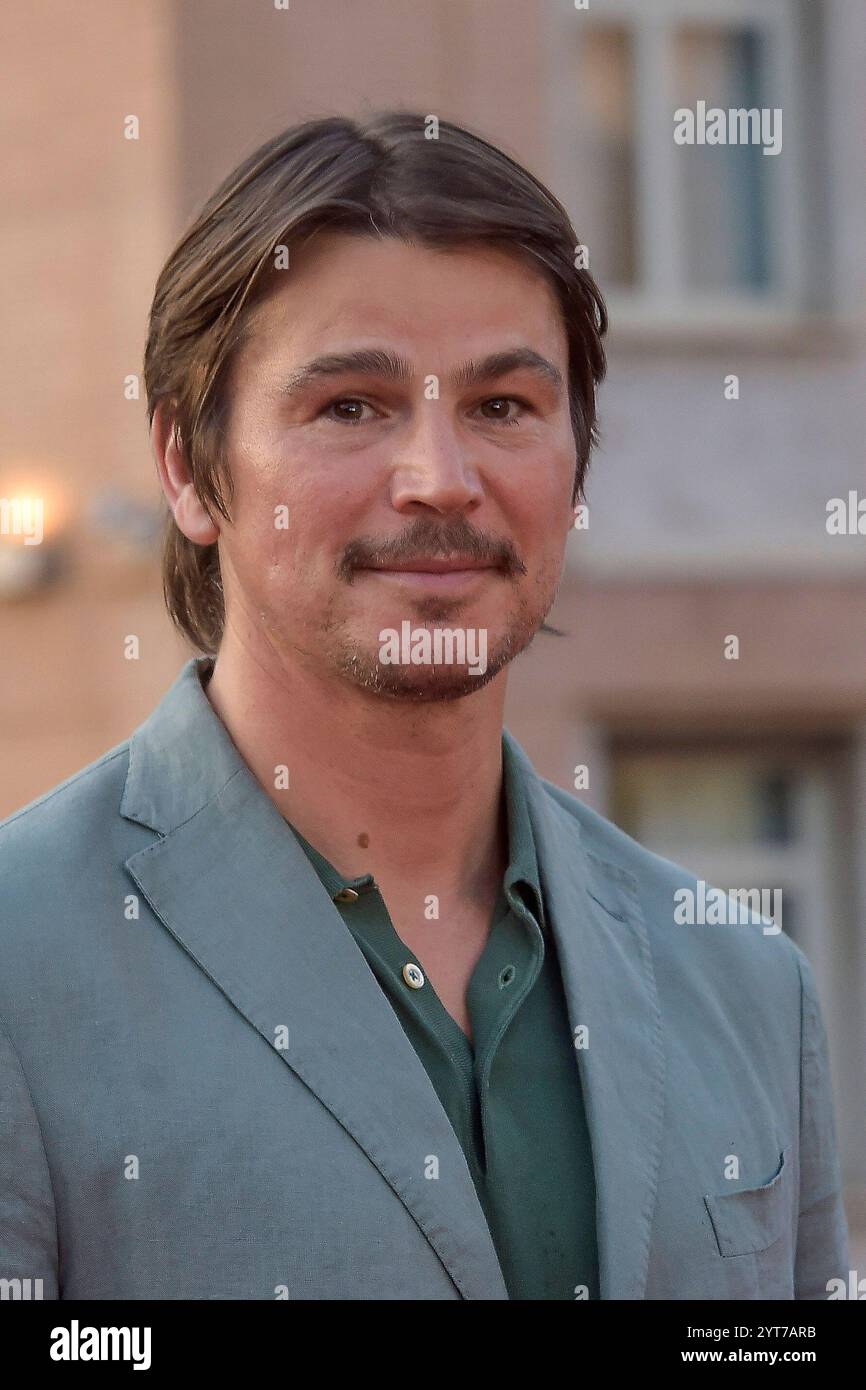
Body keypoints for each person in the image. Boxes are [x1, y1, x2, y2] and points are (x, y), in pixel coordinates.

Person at [0, 112, 848, 1300]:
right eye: (351, 405)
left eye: (503, 406)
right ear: (191, 470)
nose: (442, 479)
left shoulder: (743, 980)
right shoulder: (22, 963)